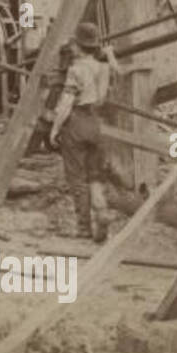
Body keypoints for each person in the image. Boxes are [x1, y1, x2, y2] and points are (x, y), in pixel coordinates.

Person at [48, 21, 117, 242]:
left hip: (76, 123)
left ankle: (84, 228)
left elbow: (66, 103)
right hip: (96, 124)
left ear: (78, 45)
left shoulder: (76, 70)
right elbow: (106, 92)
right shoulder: (103, 67)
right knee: (95, 176)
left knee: (77, 178)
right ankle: (102, 211)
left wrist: (55, 128)